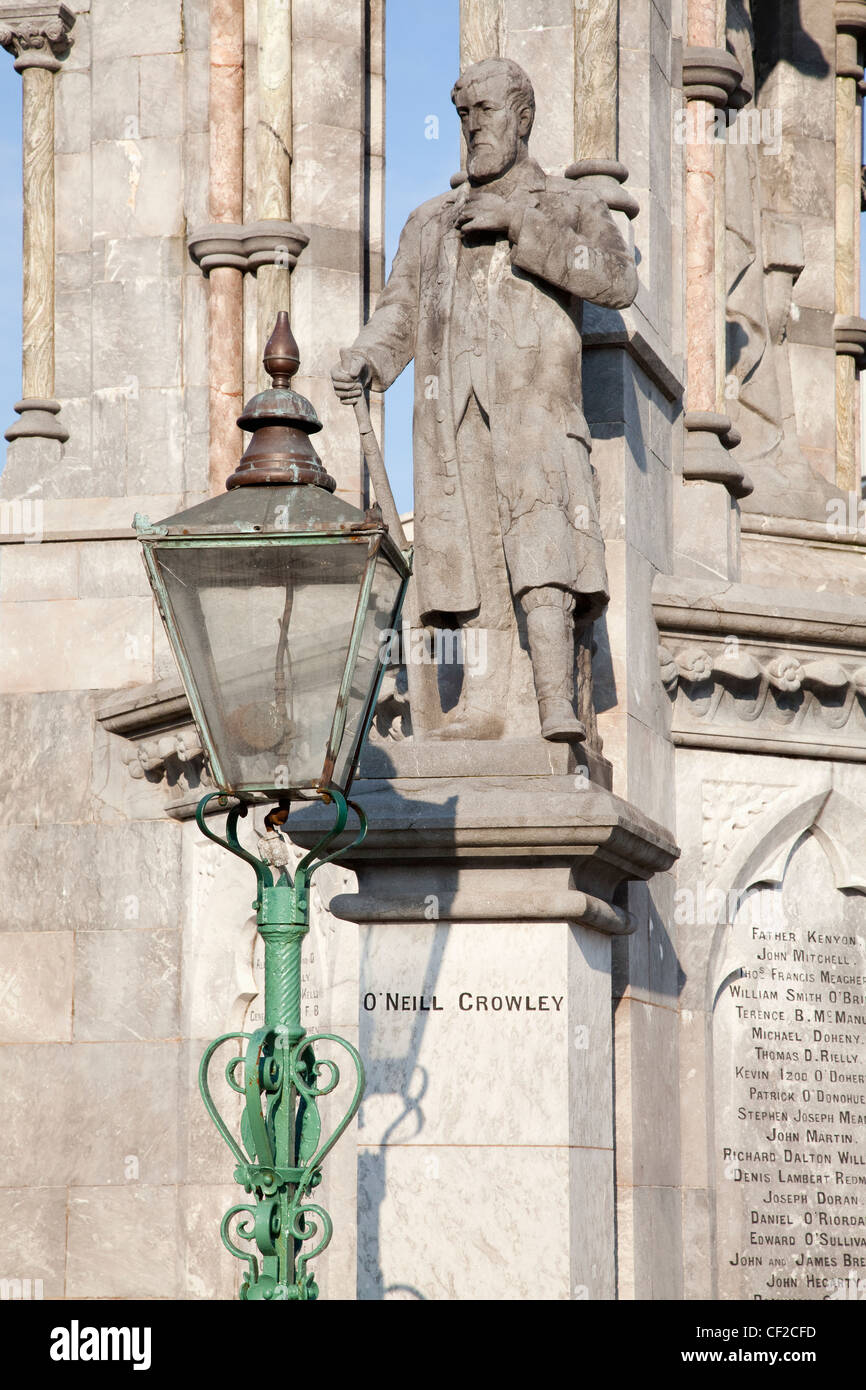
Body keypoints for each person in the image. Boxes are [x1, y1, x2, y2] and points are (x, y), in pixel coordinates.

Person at [331, 57, 637, 741]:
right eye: (463, 113)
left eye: (486, 111)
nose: (472, 126)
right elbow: (401, 311)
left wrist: (521, 229)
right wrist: (369, 361)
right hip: (451, 416)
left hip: (534, 415)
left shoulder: (566, 204)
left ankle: (552, 699)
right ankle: (481, 701)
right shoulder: (430, 221)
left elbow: (617, 281)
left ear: (522, 120)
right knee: (463, 555)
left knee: (541, 541)